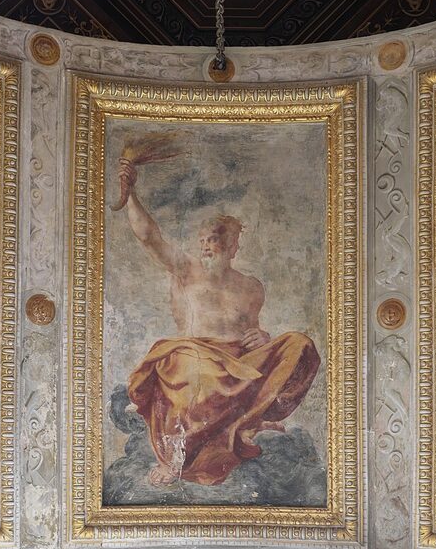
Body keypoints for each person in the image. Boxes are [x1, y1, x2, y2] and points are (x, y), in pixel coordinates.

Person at [117, 158, 321, 486]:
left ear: (231, 246)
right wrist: (130, 194)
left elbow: (251, 332)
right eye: (202, 242)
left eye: (213, 241)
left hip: (236, 360)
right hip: (191, 354)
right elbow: (148, 236)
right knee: (199, 369)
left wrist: (263, 337)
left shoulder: (251, 287)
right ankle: (175, 459)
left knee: (301, 345)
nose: (205, 247)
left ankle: (254, 419)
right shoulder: (186, 270)